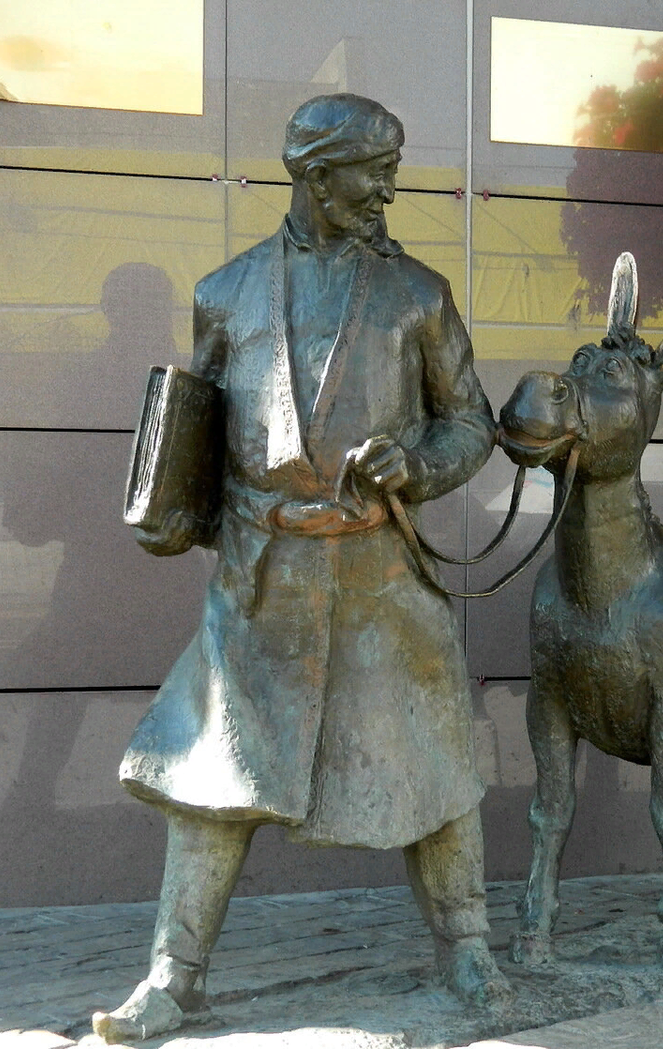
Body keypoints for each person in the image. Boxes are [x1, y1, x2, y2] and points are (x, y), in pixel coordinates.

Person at [92, 94, 509, 1044]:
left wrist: (422, 460)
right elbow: (192, 426)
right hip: (262, 575)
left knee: (435, 765)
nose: (390, 191)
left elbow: (470, 423)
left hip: (381, 575)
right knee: (213, 779)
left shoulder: (418, 295)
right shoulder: (226, 292)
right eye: (374, 171)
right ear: (317, 174)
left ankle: (470, 945)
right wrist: (174, 512)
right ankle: (173, 974)